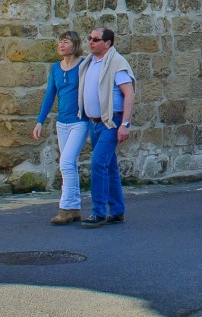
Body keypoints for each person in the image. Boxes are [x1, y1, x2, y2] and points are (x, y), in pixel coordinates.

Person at [32, 25, 135, 227]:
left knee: (97, 163)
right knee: (110, 166)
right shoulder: (90, 62)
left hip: (110, 121)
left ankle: (97, 212)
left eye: (95, 39)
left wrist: (125, 124)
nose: (91, 42)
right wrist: (40, 120)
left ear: (107, 43)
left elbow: (129, 93)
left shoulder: (116, 62)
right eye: (89, 38)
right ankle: (116, 210)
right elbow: (53, 93)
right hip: (93, 122)